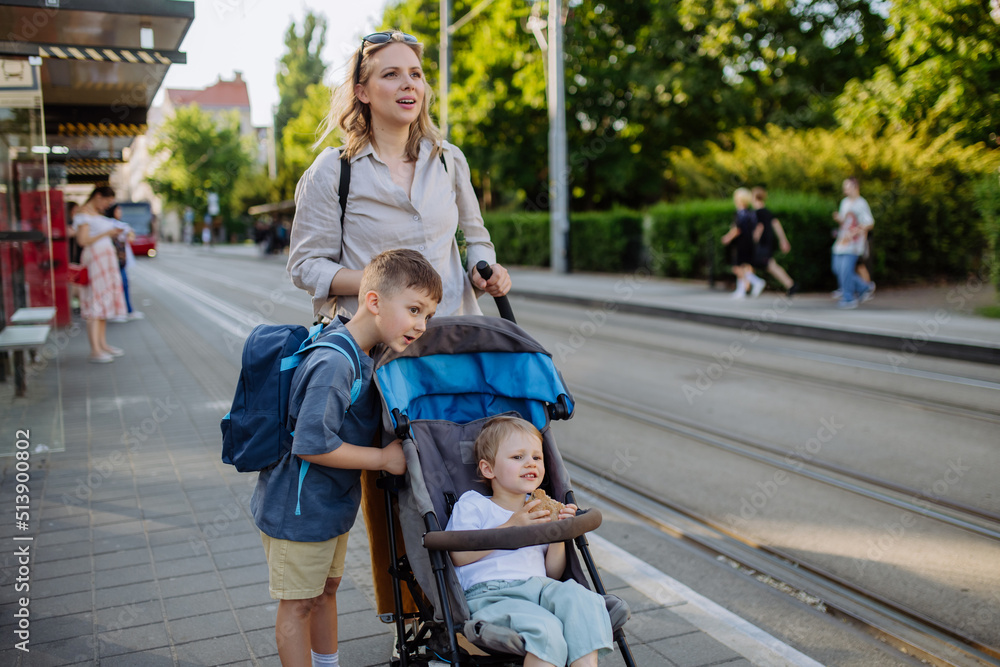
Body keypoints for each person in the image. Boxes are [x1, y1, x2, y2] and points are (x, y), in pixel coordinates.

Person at [251, 249, 442, 667]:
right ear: (373, 301)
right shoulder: (336, 362)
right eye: (414, 310)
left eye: (427, 315)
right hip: (298, 510)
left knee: (327, 589)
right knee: (298, 605)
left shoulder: (361, 352)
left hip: (327, 507)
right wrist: (383, 458)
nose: (421, 325)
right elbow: (312, 443)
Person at [287, 30, 511, 320]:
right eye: (391, 74)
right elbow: (306, 266)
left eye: (416, 74)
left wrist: (484, 269)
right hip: (374, 348)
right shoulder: (333, 169)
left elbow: (477, 240)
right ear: (362, 92)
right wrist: (380, 283)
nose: (408, 84)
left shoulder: (447, 159)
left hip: (454, 338)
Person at [446, 416, 613, 667]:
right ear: (488, 469)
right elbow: (458, 555)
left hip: (540, 588)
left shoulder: (541, 511)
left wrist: (559, 532)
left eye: (537, 457)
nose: (530, 463)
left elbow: (553, 572)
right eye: (518, 457)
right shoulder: (474, 504)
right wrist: (512, 526)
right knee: (546, 628)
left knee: (584, 599)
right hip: (493, 595)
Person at [72, 186, 126, 363]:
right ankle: (95, 349)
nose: (106, 206)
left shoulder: (95, 214)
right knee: (95, 303)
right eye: (106, 201)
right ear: (98, 196)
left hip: (105, 261)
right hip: (95, 261)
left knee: (103, 303)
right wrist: (107, 233)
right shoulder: (83, 214)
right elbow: (82, 240)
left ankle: (102, 344)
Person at [831, 178, 875, 309]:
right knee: (837, 268)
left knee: (845, 270)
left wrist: (856, 231)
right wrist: (839, 219)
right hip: (841, 242)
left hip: (854, 244)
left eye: (847, 186)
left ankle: (848, 298)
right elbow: (846, 221)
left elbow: (869, 223)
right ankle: (864, 287)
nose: (845, 189)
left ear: (855, 187)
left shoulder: (861, 203)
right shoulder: (844, 202)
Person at [751, 187, 797, 296]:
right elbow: (776, 224)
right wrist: (783, 240)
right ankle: (790, 284)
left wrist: (753, 240)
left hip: (762, 245)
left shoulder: (758, 212)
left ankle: (753, 285)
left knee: (755, 263)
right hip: (768, 243)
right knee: (769, 265)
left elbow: (759, 228)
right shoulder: (767, 211)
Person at [721, 188, 766, 299]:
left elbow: (737, 229)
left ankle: (756, 282)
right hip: (749, 243)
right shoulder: (751, 213)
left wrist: (727, 238)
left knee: (737, 267)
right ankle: (741, 290)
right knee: (745, 266)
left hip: (741, 243)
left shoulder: (739, 213)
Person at [104, 204, 144, 322]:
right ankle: (119, 311)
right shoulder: (108, 223)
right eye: (118, 210)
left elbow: (131, 236)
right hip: (113, 260)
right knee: (118, 285)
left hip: (121, 260)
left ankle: (126, 310)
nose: (120, 212)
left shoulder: (121, 225)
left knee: (124, 284)